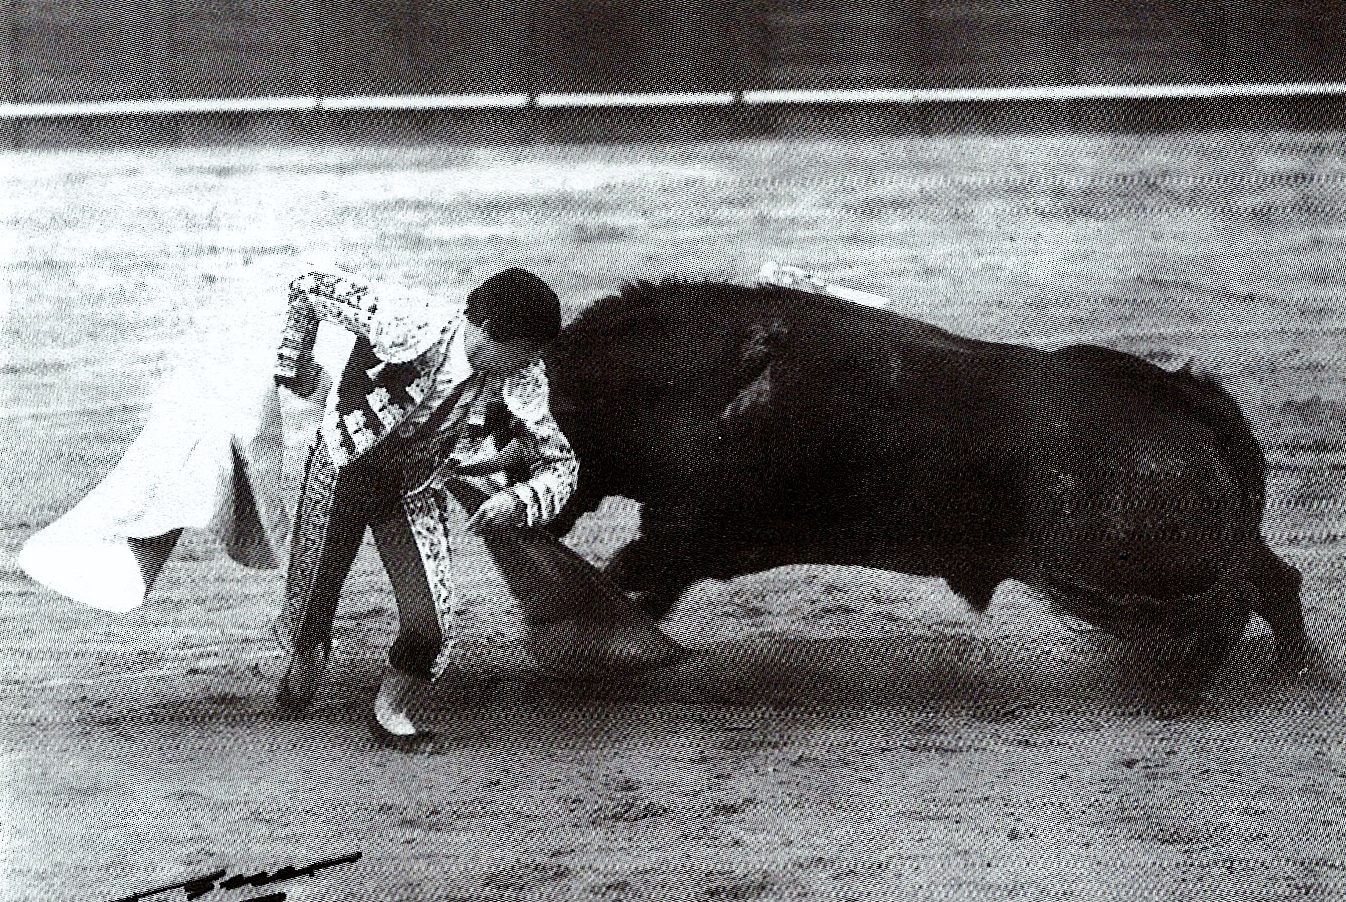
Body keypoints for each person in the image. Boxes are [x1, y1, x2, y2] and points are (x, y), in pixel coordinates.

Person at [272, 265, 579, 742]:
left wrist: (517, 502)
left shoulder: (520, 378)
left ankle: (390, 710)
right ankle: (306, 656)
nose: (530, 367)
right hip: (341, 465)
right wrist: (292, 365)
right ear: (495, 336)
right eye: (526, 354)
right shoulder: (406, 319)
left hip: (412, 486)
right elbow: (308, 284)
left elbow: (562, 465)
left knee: (429, 626)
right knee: (312, 599)